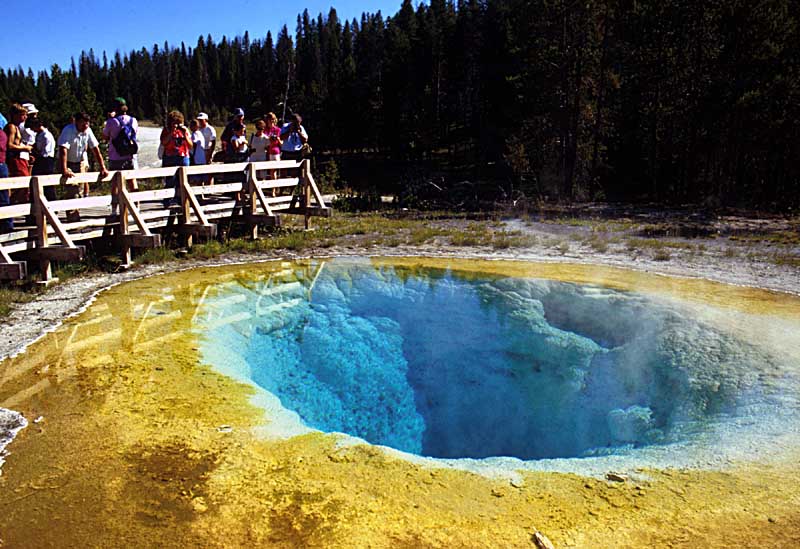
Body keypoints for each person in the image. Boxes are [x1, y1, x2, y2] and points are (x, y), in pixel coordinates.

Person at [58, 112, 109, 221]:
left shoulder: (87, 131)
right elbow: (63, 150)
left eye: (87, 124)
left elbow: (96, 149)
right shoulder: (68, 130)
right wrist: (64, 169)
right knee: (72, 191)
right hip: (69, 162)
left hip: (80, 161)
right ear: (76, 122)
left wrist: (102, 167)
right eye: (83, 124)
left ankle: (76, 216)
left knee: (80, 190)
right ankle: (73, 219)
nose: (85, 126)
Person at [102, 97, 139, 191]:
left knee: (115, 182)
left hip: (115, 155)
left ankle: (115, 204)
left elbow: (105, 137)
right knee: (132, 180)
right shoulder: (133, 120)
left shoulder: (111, 122)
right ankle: (136, 203)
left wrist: (110, 118)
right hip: (130, 155)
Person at [160, 110, 193, 205]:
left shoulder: (184, 130)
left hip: (182, 157)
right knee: (170, 180)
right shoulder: (166, 130)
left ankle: (181, 200)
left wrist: (186, 135)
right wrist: (171, 132)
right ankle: (167, 200)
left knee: (182, 181)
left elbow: (191, 145)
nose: (177, 125)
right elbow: (164, 142)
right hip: (170, 157)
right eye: (175, 123)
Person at [4, 104, 32, 204]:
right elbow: (9, 145)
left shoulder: (16, 127)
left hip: (19, 158)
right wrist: (25, 148)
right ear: (15, 115)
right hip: (15, 159)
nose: (25, 117)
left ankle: (12, 204)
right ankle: (9, 204)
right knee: (23, 183)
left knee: (24, 184)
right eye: (23, 115)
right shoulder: (11, 127)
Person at [30, 118, 57, 201]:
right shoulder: (39, 135)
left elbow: (44, 152)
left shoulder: (46, 136)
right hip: (42, 160)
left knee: (47, 184)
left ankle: (51, 203)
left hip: (45, 161)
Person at [0, 124, 12, 233]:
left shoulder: (1, 135)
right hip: (2, 165)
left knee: (3, 197)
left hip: (0, 165)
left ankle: (7, 224)